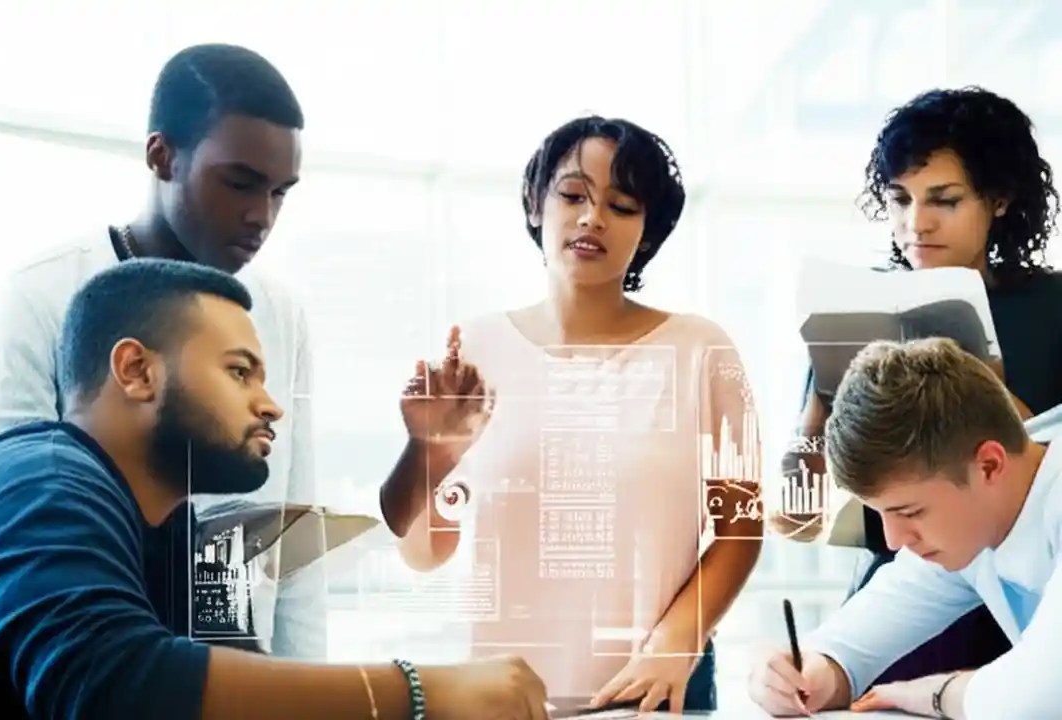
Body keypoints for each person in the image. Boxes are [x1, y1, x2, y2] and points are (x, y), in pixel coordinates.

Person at [0, 259, 549, 720]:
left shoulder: (152, 527)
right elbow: (119, 689)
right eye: (238, 372)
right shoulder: (40, 483)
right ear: (136, 371)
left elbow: (323, 535)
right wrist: (423, 694)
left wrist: (430, 450)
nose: (271, 403)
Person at [379, 116, 764, 713]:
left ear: (648, 230)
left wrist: (674, 645)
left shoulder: (702, 350)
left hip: (648, 696)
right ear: (536, 203)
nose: (593, 217)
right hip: (502, 697)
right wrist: (430, 450)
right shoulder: (478, 349)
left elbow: (740, 529)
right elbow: (425, 552)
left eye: (623, 203)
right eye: (573, 194)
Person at [0, 43, 323, 657]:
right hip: (90, 669)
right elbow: (13, 534)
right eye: (239, 183)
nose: (260, 216)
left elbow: (289, 532)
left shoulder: (280, 311)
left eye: (280, 193)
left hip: (243, 670)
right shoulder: (43, 295)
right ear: (161, 156)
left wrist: (306, 689)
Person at [775, 86, 1062, 682]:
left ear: (1000, 199)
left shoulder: (1054, 307)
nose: (916, 224)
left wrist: (981, 392)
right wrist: (819, 411)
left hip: (1028, 605)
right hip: (900, 600)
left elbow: (1037, 474)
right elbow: (795, 520)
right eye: (900, 200)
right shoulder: (854, 313)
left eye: (945, 200)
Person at [749, 337, 1062, 719]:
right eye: (881, 514)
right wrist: (804, 674)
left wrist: (935, 692)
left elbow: (1038, 698)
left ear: (989, 466)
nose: (895, 541)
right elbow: (850, 643)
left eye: (910, 511)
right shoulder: (974, 519)